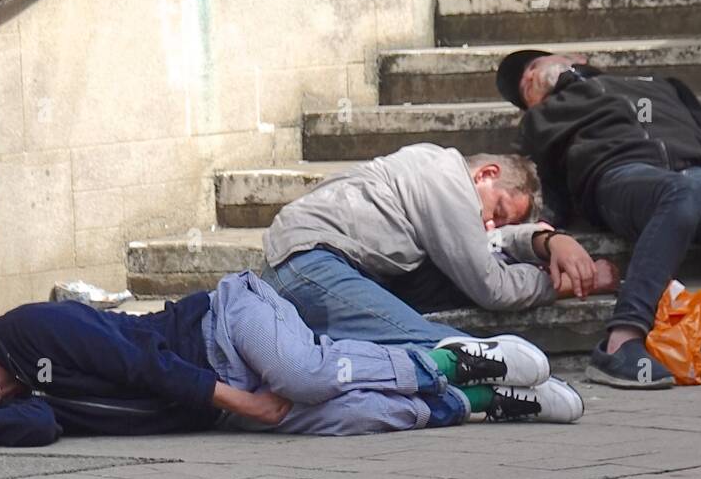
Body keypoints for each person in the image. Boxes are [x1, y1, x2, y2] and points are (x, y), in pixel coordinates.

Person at [0, 270, 583, 444]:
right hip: (219, 400)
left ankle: (458, 362)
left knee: (304, 376)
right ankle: (479, 404)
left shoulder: (27, 329)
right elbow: (34, 432)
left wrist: (236, 399)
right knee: (346, 419)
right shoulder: (27, 408)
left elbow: (140, 360)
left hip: (224, 323)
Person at [496, 50, 701, 390]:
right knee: (680, 192)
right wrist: (550, 236)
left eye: (534, 66)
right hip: (623, 178)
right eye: (525, 86)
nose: (530, 77)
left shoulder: (657, 86)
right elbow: (542, 184)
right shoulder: (542, 119)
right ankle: (620, 342)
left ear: (574, 56)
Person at [260, 143, 617, 347]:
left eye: (502, 223)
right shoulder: (448, 180)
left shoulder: (432, 170)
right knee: (430, 343)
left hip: (308, 265)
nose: (490, 225)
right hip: (309, 264)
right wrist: (561, 285)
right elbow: (494, 287)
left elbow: (486, 246)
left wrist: (547, 240)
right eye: (499, 210)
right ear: (486, 174)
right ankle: (506, 371)